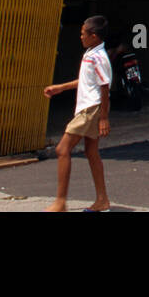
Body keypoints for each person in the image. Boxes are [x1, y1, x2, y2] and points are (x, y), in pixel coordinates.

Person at [43, 15, 112, 212]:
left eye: (83, 34)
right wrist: (61, 88)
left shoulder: (97, 57)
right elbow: (86, 80)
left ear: (94, 36)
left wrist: (104, 117)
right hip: (89, 107)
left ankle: (60, 202)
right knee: (91, 151)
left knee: (62, 149)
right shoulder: (91, 53)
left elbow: (105, 86)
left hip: (90, 109)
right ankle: (102, 200)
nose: (80, 37)